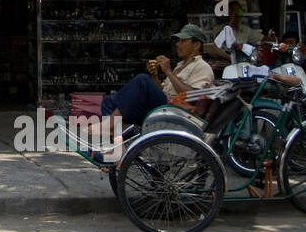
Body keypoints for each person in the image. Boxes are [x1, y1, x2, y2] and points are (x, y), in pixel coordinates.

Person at [83, 24, 216, 160]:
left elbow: (193, 96)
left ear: (196, 45)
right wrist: (155, 76)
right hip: (165, 107)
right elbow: (163, 92)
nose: (178, 45)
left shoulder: (202, 67)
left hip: (178, 113)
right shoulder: (181, 65)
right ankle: (117, 148)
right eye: (178, 41)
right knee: (109, 101)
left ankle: (109, 126)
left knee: (142, 80)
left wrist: (168, 71)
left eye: (183, 41)